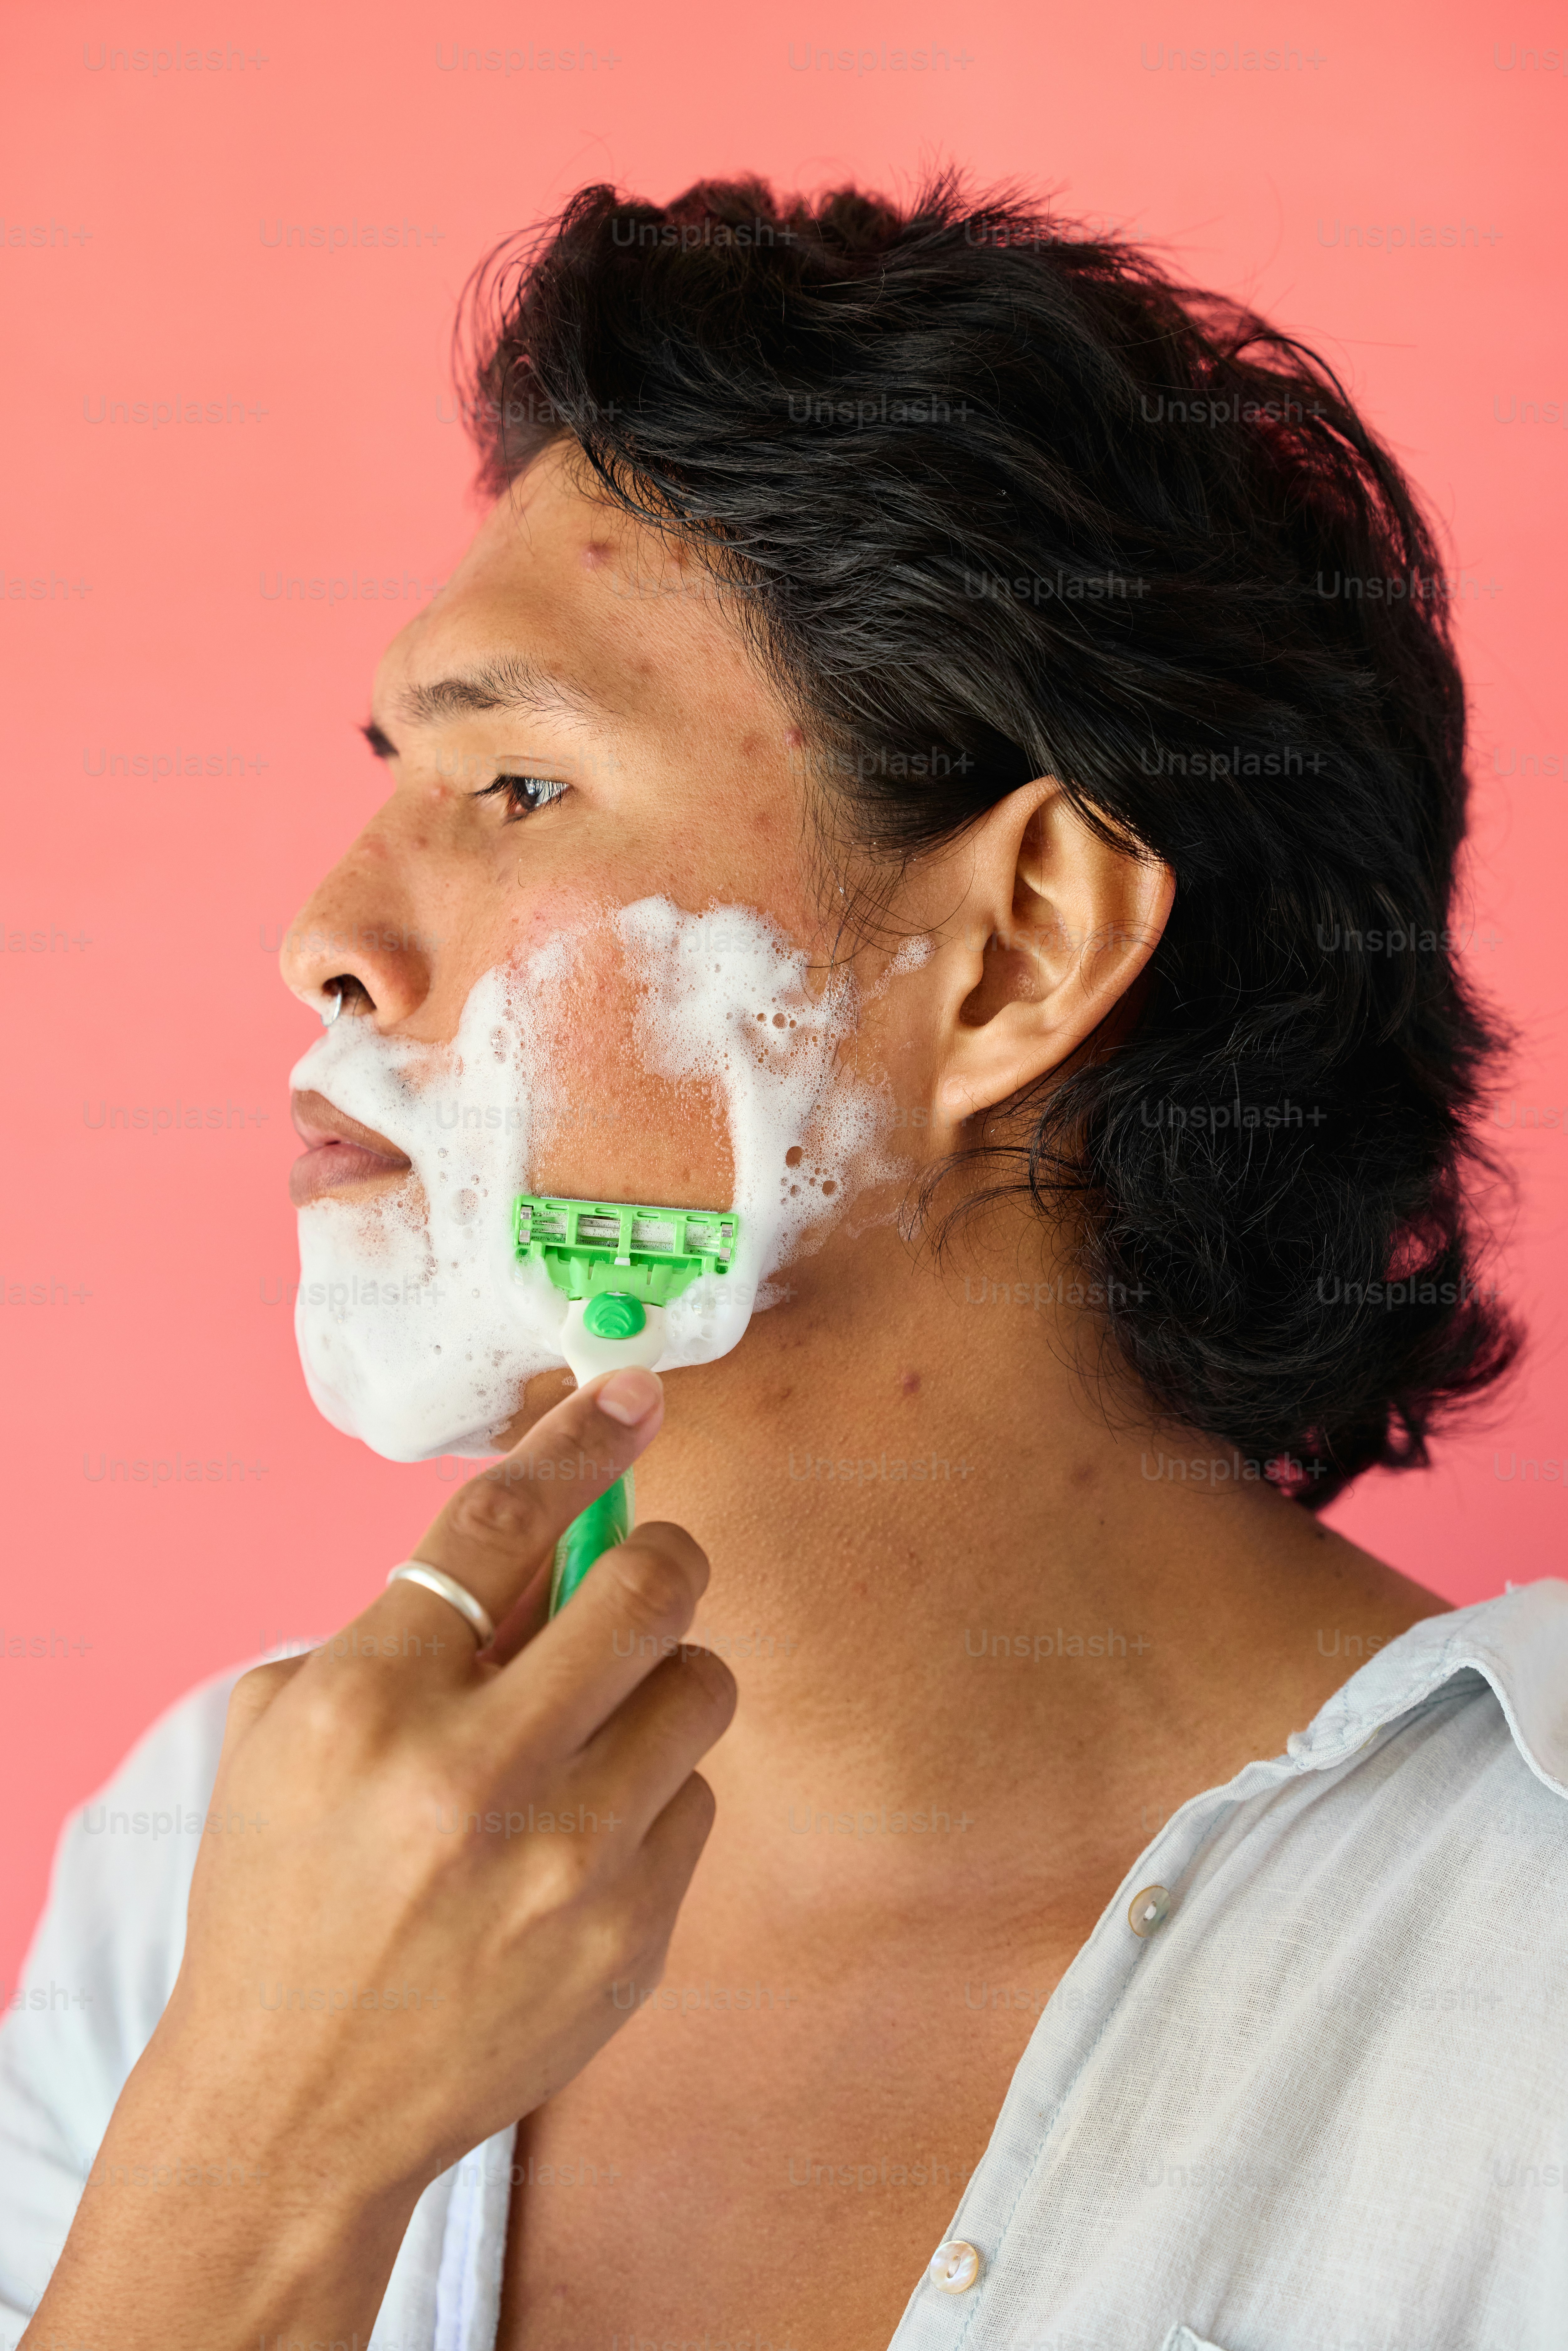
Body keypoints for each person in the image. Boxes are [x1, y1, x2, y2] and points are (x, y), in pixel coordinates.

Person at [4, 172, 1561, 2351]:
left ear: (1017, 951)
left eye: (521, 787)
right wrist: (250, 2156)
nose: (323, 940)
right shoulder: (207, 1874)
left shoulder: (1534, 1988)